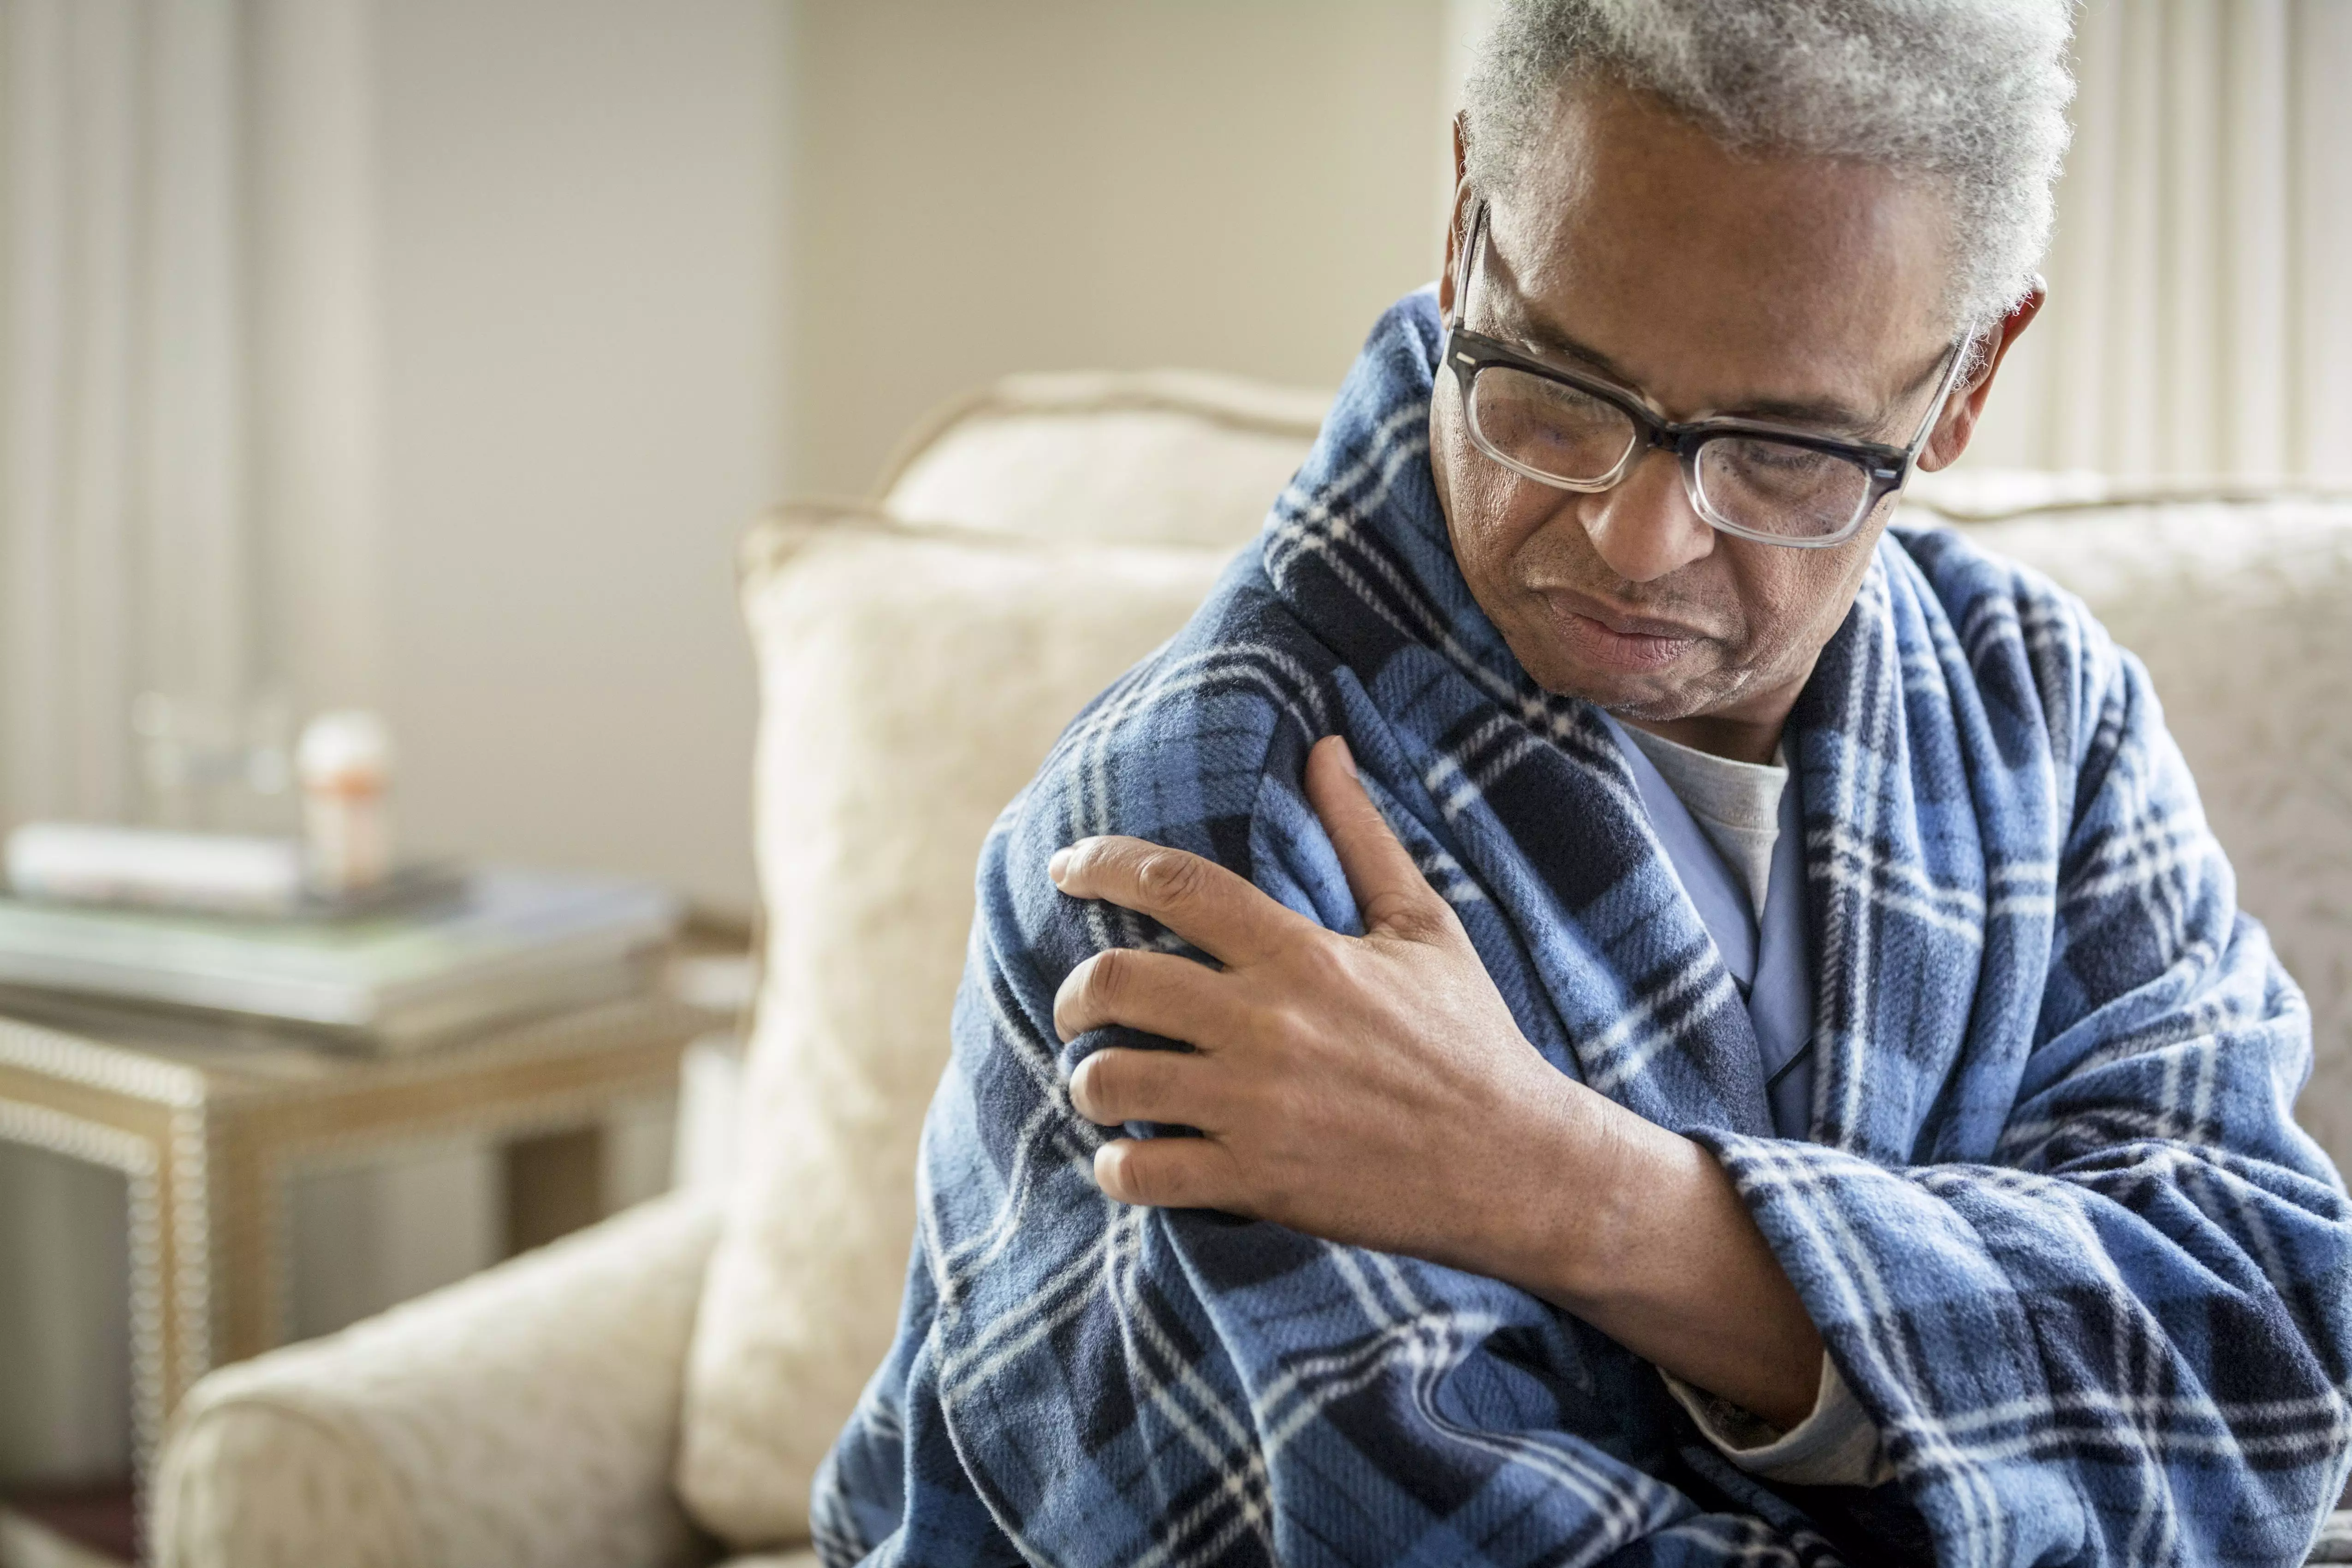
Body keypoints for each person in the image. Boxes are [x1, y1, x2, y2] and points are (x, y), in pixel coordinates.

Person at [814, 2, 2352, 1562]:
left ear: (1963, 380)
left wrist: (1575, 1192)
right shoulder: (1203, 821)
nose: (1636, 536)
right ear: (1469, 217)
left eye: (1778, 449)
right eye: (1557, 387)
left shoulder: (2036, 698)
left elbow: (2273, 1359)